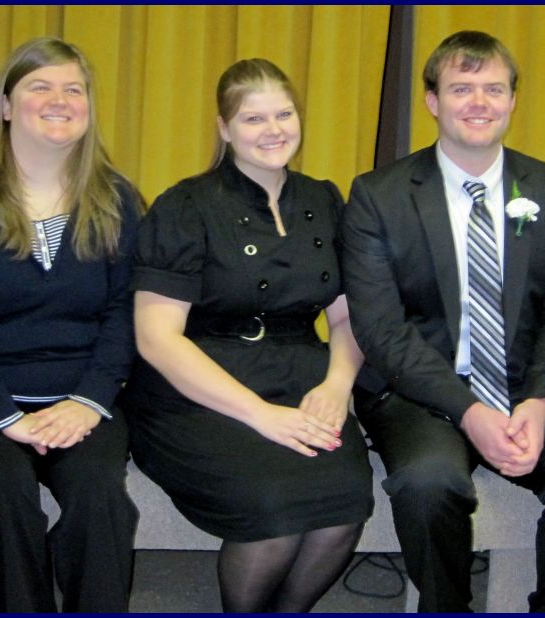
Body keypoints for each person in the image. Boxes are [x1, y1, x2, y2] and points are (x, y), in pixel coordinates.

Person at [341, 30, 545, 612]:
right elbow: (381, 329)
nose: (478, 102)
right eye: (461, 87)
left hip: (528, 386)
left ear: (513, 100)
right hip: (419, 392)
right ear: (432, 101)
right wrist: (471, 413)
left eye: (493, 88)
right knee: (427, 484)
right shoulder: (378, 196)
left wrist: (541, 403)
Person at [122, 58, 373, 613]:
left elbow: (347, 313)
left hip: (302, 374)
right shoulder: (186, 206)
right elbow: (157, 338)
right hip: (198, 388)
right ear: (224, 128)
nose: (273, 130)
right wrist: (259, 414)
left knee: (345, 507)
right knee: (273, 514)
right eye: (253, 119)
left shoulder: (324, 199)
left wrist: (337, 384)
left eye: (283, 114)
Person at [0, 37, 143, 613]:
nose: (59, 99)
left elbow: (126, 311)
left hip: (75, 394)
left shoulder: (116, 197)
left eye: (74, 89)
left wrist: (91, 401)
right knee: (2, 490)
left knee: (101, 500)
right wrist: (3, 414)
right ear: (7, 106)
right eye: (39, 86)